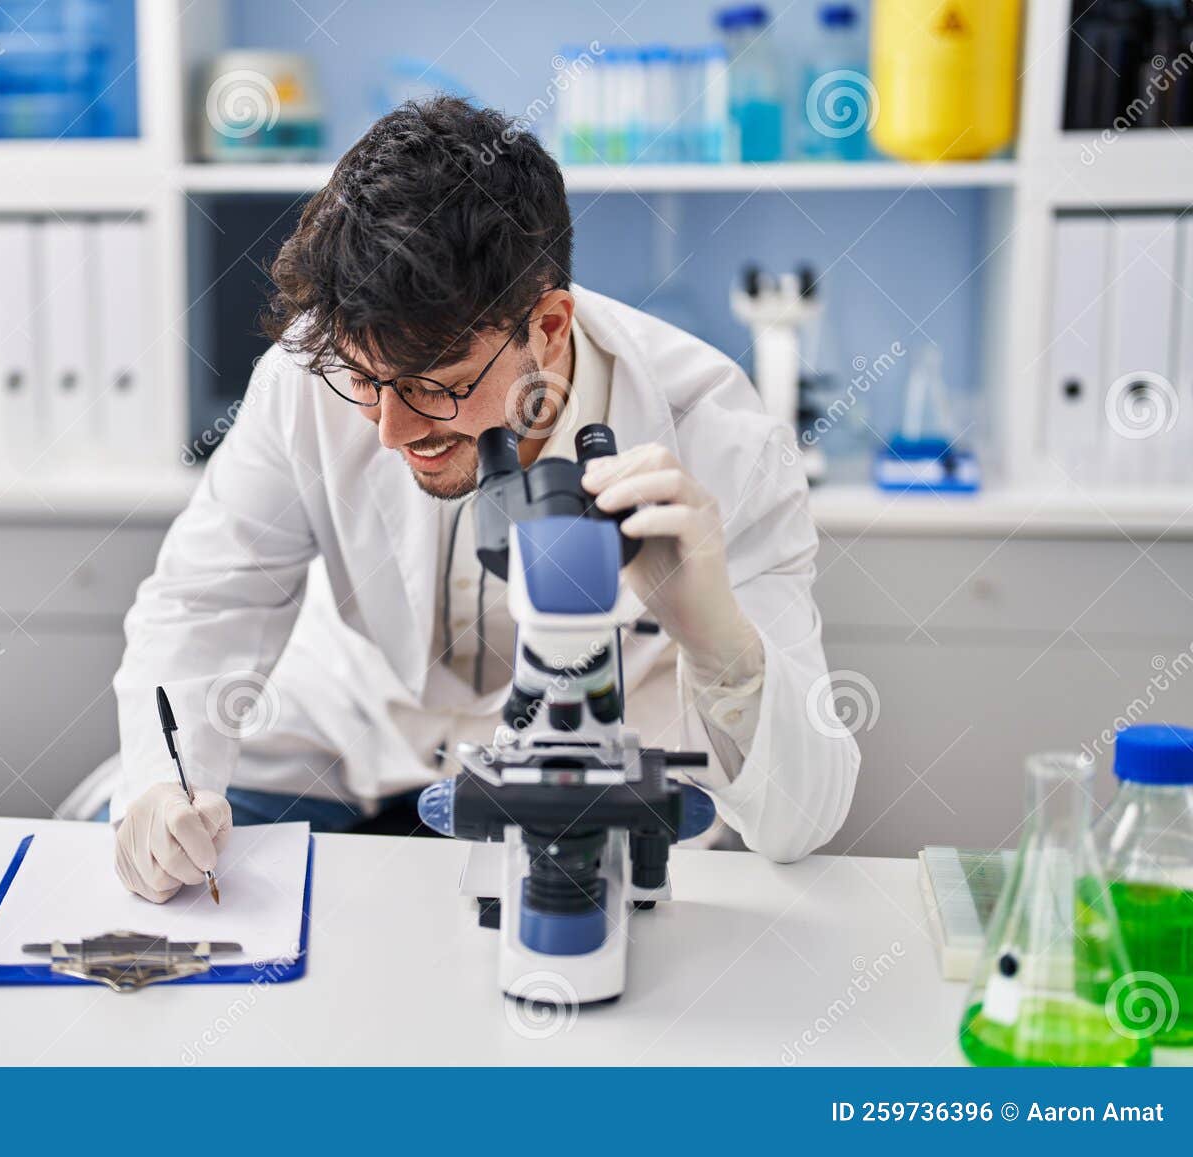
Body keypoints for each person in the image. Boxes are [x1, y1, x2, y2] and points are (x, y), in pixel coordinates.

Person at [111, 97, 859, 903]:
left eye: (439, 386)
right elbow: (208, 600)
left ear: (548, 322)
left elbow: (800, 822)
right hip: (344, 748)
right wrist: (163, 787)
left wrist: (720, 641)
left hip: (584, 799)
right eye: (365, 383)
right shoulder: (307, 374)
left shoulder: (719, 436)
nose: (393, 431)